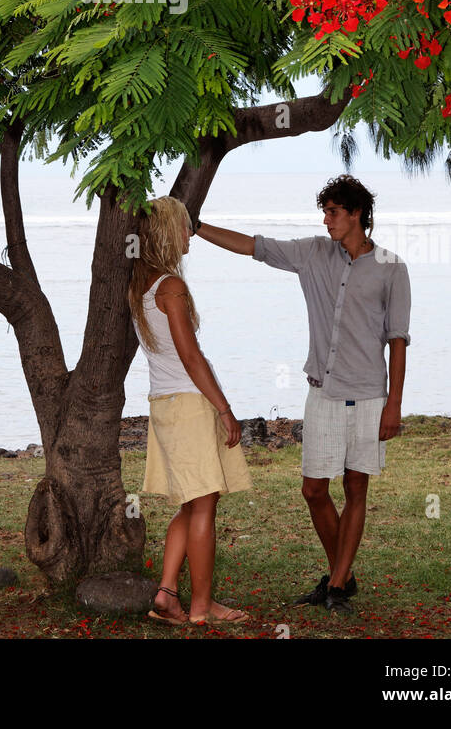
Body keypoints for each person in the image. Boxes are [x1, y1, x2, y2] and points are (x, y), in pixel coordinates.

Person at [193, 174, 410, 616]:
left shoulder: (392, 267)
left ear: (356, 215)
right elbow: (255, 246)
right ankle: (342, 578)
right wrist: (195, 227)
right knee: (313, 490)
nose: (326, 219)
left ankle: (335, 583)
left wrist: (394, 405)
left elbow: (398, 340)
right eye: (324, 212)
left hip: (369, 395)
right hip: (323, 393)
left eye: (333, 212)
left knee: (355, 487)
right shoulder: (312, 253)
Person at [129, 195, 252, 626]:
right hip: (188, 404)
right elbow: (191, 356)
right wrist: (224, 408)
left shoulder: (141, 286)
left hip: (164, 405)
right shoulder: (171, 288)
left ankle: (167, 595)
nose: (189, 235)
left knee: (191, 502)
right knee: (204, 506)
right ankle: (202, 607)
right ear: (166, 233)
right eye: (184, 228)